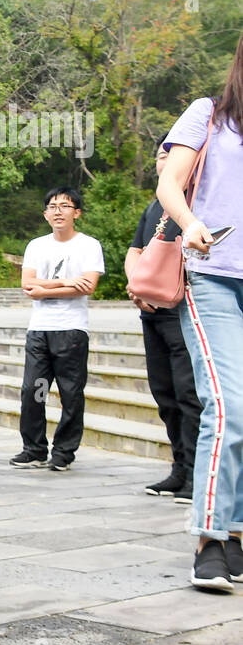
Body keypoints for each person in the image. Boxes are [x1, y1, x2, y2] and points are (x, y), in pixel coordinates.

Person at [156, 34, 243, 591]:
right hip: (213, 275)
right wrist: (190, 225)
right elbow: (169, 182)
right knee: (229, 405)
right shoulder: (208, 115)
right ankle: (210, 538)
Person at [9, 187, 104, 473]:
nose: (58, 210)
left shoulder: (89, 245)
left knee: (70, 393)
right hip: (39, 330)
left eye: (65, 205)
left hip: (71, 331)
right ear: (45, 214)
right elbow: (28, 285)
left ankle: (64, 451)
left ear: (77, 212)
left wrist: (44, 288)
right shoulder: (37, 246)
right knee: (32, 391)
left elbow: (88, 285)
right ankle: (34, 449)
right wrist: (68, 283)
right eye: (52, 206)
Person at [127, 142, 200, 503]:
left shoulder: (196, 201)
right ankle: (178, 468)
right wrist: (135, 284)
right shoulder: (154, 207)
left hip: (182, 311)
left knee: (189, 395)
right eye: (160, 155)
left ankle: (196, 476)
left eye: (173, 155)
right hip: (151, 310)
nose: (165, 160)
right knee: (164, 394)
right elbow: (135, 251)